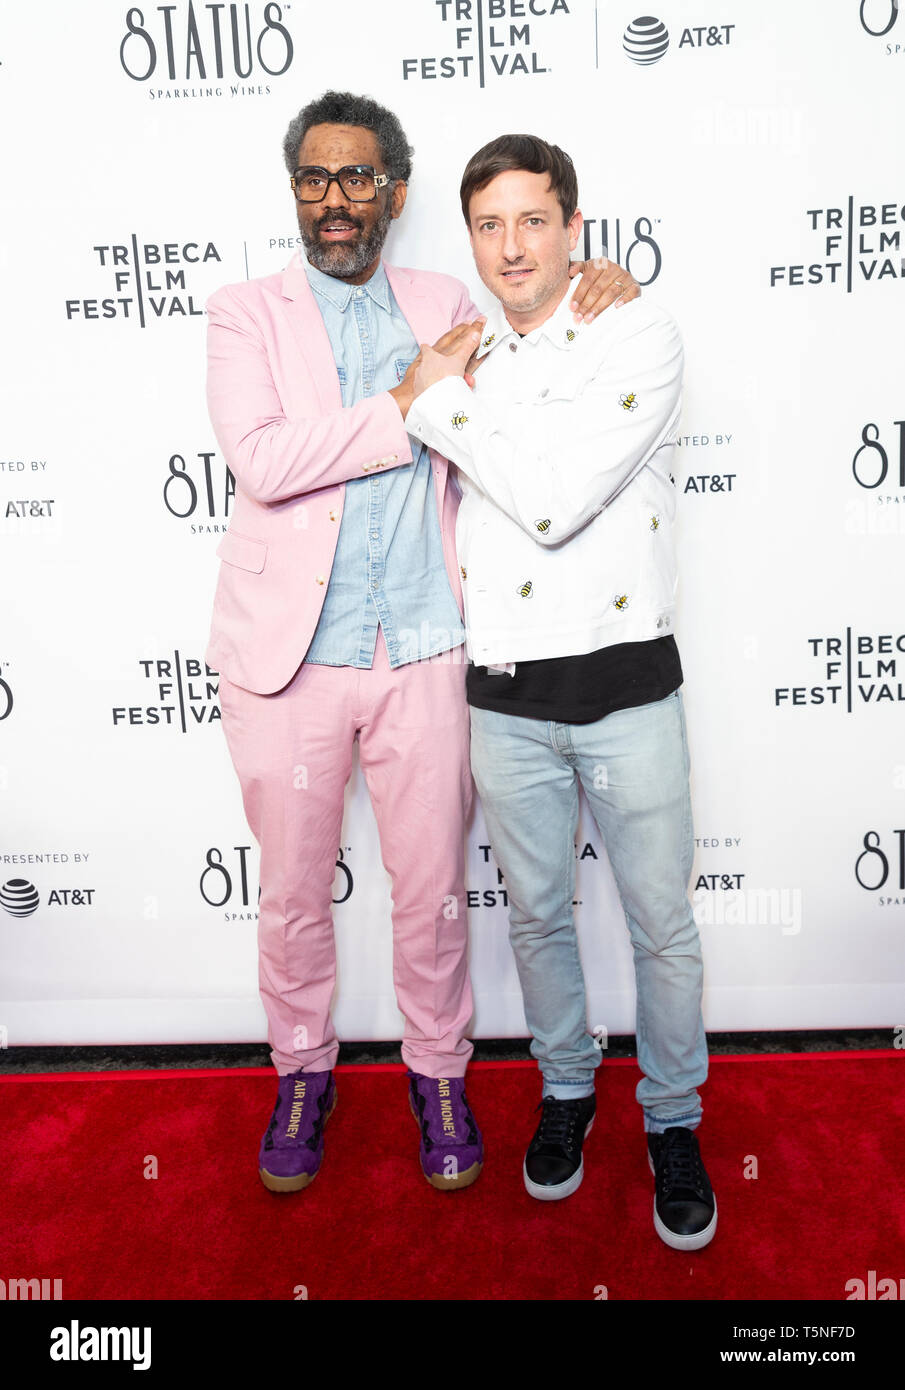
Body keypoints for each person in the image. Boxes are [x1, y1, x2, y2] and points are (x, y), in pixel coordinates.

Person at [205, 93, 638, 1196]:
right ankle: (302, 1070)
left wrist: (608, 294)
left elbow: (547, 362)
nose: (335, 199)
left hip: (429, 647)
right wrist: (404, 399)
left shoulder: (450, 298)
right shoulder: (243, 313)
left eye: (357, 178)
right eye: (314, 178)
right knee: (294, 889)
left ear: (393, 191)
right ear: (295, 190)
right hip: (289, 658)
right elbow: (262, 460)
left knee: (432, 887)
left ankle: (438, 1072)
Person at [399, 133, 716, 1250]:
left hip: (630, 688)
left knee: (659, 926)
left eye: (532, 220)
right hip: (505, 694)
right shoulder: (467, 343)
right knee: (535, 918)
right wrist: (445, 380)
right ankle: (567, 1093)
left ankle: (670, 1117)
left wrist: (437, 403)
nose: (510, 244)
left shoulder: (636, 326)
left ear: (572, 228)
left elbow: (551, 499)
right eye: (488, 223)